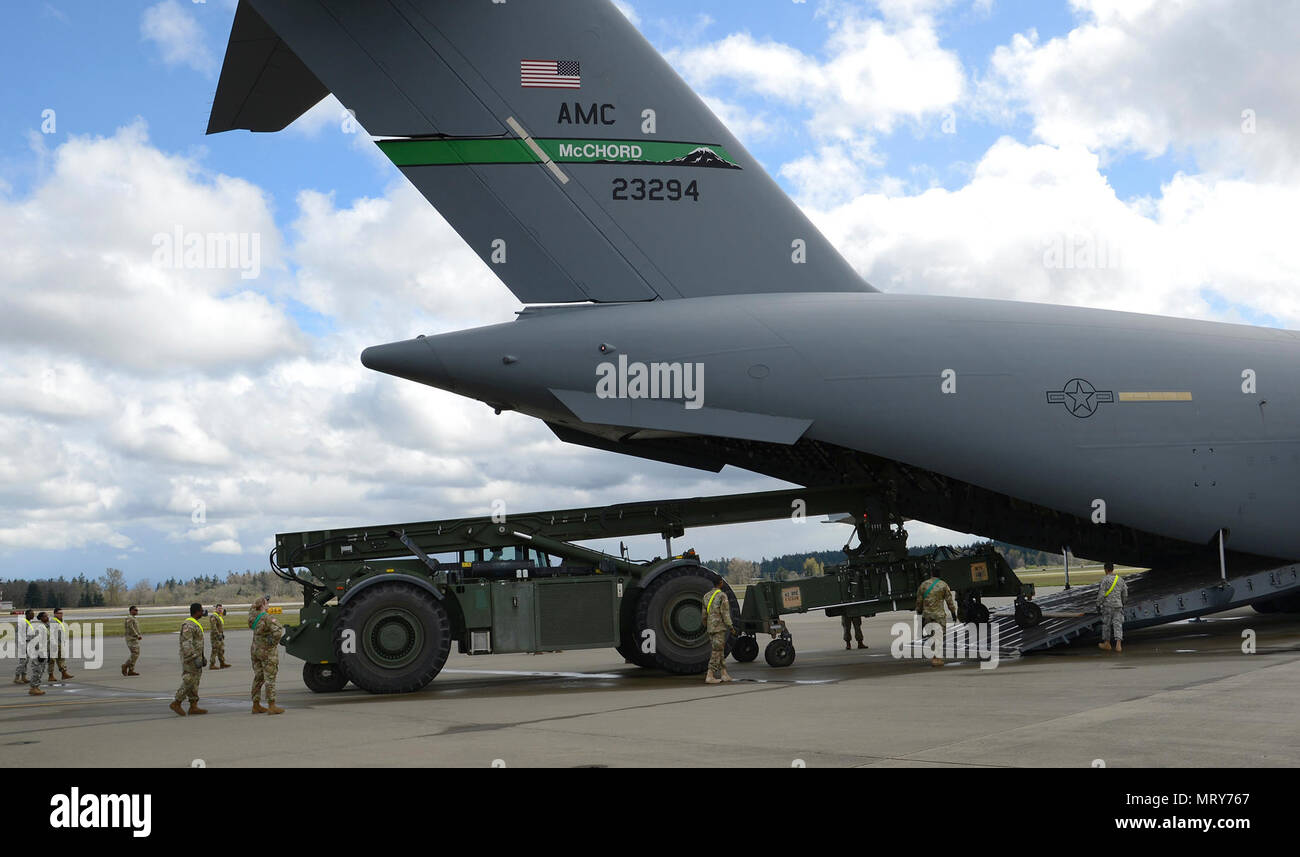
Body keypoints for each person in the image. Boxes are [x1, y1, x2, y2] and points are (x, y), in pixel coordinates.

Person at [170, 603, 207, 716]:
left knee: (195, 681)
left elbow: (197, 642)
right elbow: (186, 643)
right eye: (201, 611)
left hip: (197, 656)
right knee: (189, 680)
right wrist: (194, 657)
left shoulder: (195, 624)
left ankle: (193, 706)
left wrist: (202, 656)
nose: (203, 613)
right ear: (196, 612)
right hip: (190, 658)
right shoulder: (188, 625)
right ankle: (177, 702)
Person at [249, 597, 285, 714]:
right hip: (266, 652)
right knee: (270, 678)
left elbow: (252, 611)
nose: (268, 604)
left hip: (255, 650)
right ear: (263, 605)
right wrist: (271, 643)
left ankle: (256, 704)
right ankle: (271, 705)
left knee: (258, 677)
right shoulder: (267, 617)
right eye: (267, 603)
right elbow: (278, 631)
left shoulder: (253, 617)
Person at [915, 573, 958, 667]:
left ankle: (934, 656)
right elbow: (949, 601)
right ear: (940, 575)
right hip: (939, 616)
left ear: (931, 574)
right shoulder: (943, 585)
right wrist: (953, 613)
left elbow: (919, 601)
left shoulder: (923, 585)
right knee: (938, 636)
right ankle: (936, 658)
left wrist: (919, 613)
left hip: (927, 615)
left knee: (932, 636)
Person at [703, 579, 734, 684]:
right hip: (719, 627)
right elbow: (725, 613)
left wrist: (707, 625)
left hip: (710, 627)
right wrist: (731, 627)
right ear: (720, 583)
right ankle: (710, 674)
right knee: (717, 651)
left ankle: (724, 673)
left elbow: (704, 614)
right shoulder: (722, 596)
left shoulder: (706, 596)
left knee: (719, 650)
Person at [1097, 562, 1128, 653]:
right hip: (1118, 606)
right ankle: (1118, 646)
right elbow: (1125, 593)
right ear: (1113, 569)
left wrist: (1098, 604)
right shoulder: (1120, 579)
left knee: (1106, 625)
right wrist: (1122, 602)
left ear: (1105, 570)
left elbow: (1101, 594)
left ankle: (1107, 644)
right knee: (1118, 624)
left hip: (1107, 606)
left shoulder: (1105, 580)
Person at [27, 611, 50, 696]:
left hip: (43, 651)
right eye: (45, 616)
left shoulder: (44, 626)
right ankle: (33, 688)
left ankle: (36, 687)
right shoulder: (39, 627)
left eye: (47, 616)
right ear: (40, 618)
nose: (47, 618)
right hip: (37, 652)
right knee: (37, 670)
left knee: (41, 670)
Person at [48, 608, 73, 681]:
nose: (61, 614)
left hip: (60, 643)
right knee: (52, 660)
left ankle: (64, 673)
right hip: (54, 643)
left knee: (61, 659)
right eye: (59, 613)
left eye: (62, 613)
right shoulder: (53, 621)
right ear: (55, 614)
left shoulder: (61, 621)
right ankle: (51, 675)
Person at [12, 609, 34, 685]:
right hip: (23, 644)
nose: (33, 615)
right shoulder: (22, 623)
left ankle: (23, 677)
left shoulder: (29, 622)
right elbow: (18, 635)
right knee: (23, 661)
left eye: (33, 613)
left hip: (28, 644)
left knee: (26, 661)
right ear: (27, 615)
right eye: (31, 614)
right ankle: (16, 677)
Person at [121, 606, 142, 676]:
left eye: (137, 610)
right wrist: (137, 635)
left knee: (136, 653)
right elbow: (130, 628)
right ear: (131, 610)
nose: (137, 611)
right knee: (135, 653)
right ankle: (125, 665)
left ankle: (131, 670)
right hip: (131, 639)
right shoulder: (130, 618)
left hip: (134, 639)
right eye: (135, 610)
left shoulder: (133, 618)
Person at [208, 604, 230, 669]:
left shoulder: (219, 616)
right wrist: (218, 635)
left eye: (221, 608)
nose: (220, 610)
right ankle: (212, 664)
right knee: (215, 650)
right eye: (219, 608)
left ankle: (222, 663)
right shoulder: (214, 616)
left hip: (220, 635)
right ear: (215, 609)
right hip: (215, 636)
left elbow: (220, 626)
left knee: (221, 650)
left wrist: (221, 634)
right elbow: (214, 627)